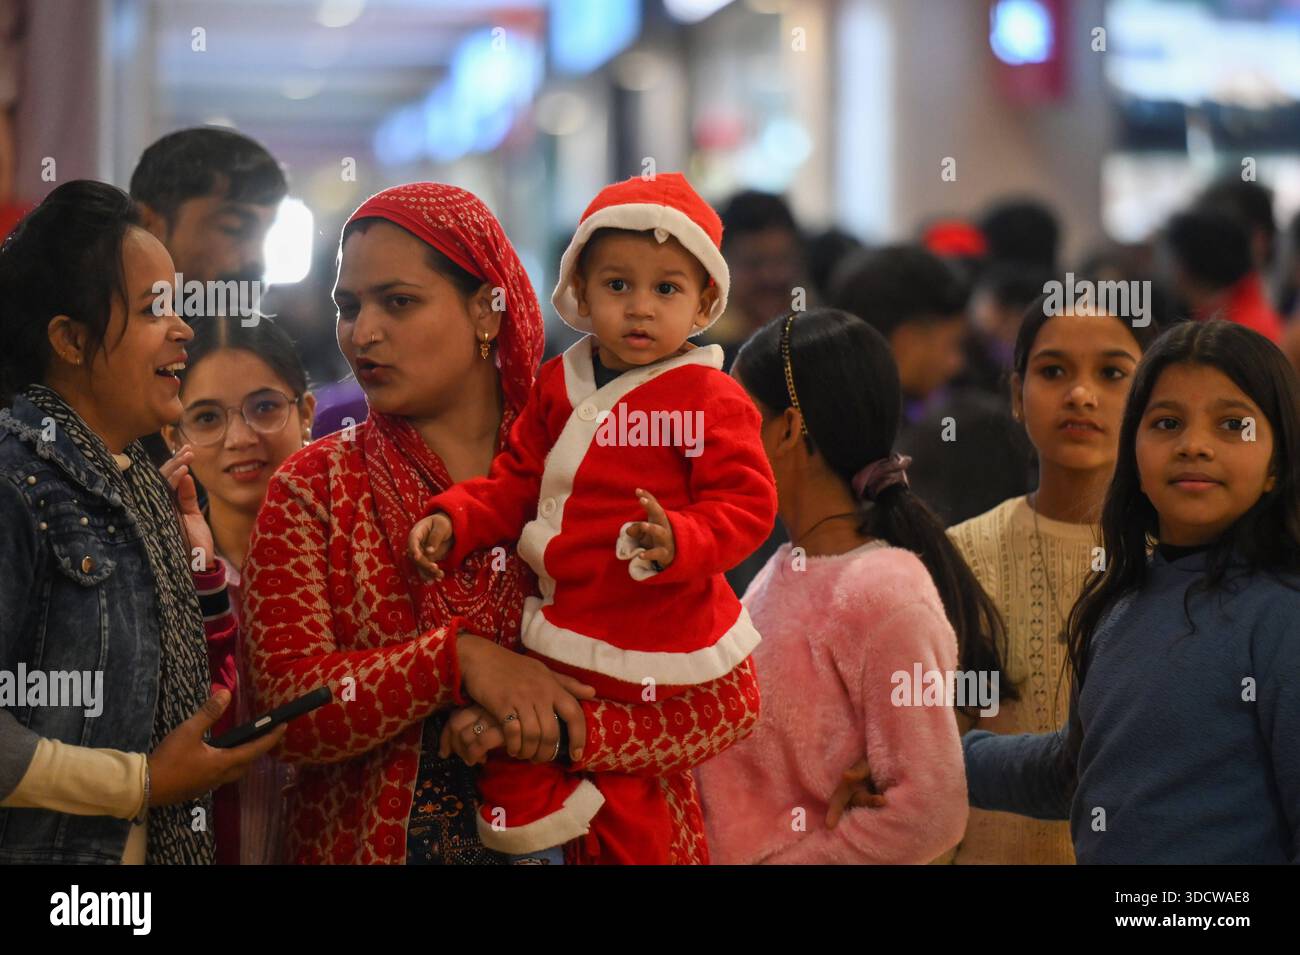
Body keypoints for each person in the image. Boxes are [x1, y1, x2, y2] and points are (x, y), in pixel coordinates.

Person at [241, 181, 762, 864]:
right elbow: (285, 715)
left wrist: (559, 733)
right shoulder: (315, 488)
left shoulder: (622, 459)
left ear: (489, 310)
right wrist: (456, 662)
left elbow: (729, 702)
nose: (363, 332)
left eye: (398, 301)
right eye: (349, 306)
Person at [408, 173, 776, 863]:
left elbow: (748, 504)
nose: (640, 308)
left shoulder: (708, 396)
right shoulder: (560, 379)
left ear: (703, 303)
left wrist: (683, 538)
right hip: (563, 621)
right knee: (524, 767)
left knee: (632, 800)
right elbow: (516, 479)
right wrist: (458, 519)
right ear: (579, 292)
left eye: (666, 289)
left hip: (657, 629)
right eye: (617, 285)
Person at [0, 180, 282, 864]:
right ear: (70, 339)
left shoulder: (141, 487)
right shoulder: (17, 480)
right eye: (156, 308)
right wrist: (146, 782)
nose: (183, 328)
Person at [964, 320, 1300, 863]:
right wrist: (940, 764)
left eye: (1232, 425)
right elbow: (1074, 769)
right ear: (1133, 450)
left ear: (1276, 464)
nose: (1194, 446)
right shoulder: (1120, 601)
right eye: (1167, 422)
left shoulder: (1282, 613)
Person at [695, 308, 1008, 864]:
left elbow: (929, 813)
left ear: (788, 428)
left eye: (735, 414)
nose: (715, 436)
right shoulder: (786, 565)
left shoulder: (883, 589)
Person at [945, 294, 1156, 864]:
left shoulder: (1182, 562)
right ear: (1016, 395)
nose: (1080, 394)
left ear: (1152, 401)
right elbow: (934, 757)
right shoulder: (960, 555)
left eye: (1112, 373)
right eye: (1053, 371)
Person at [160, 316, 315, 864]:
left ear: (308, 413)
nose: (240, 437)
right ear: (173, 439)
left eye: (266, 407)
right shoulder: (161, 579)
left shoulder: (359, 563)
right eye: (205, 417)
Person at [832, 244, 1032, 525]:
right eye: (951, 345)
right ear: (907, 341)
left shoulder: (813, 435)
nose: (957, 363)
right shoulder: (968, 432)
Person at [128, 126, 290, 466]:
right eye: (233, 228)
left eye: (265, 233)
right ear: (150, 224)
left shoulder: (252, 354)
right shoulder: (105, 361)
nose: (256, 260)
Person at [1164, 208, 1284, 343]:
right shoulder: (1239, 313)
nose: (1167, 269)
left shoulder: (1238, 334)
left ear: (1185, 267)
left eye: (1171, 259)